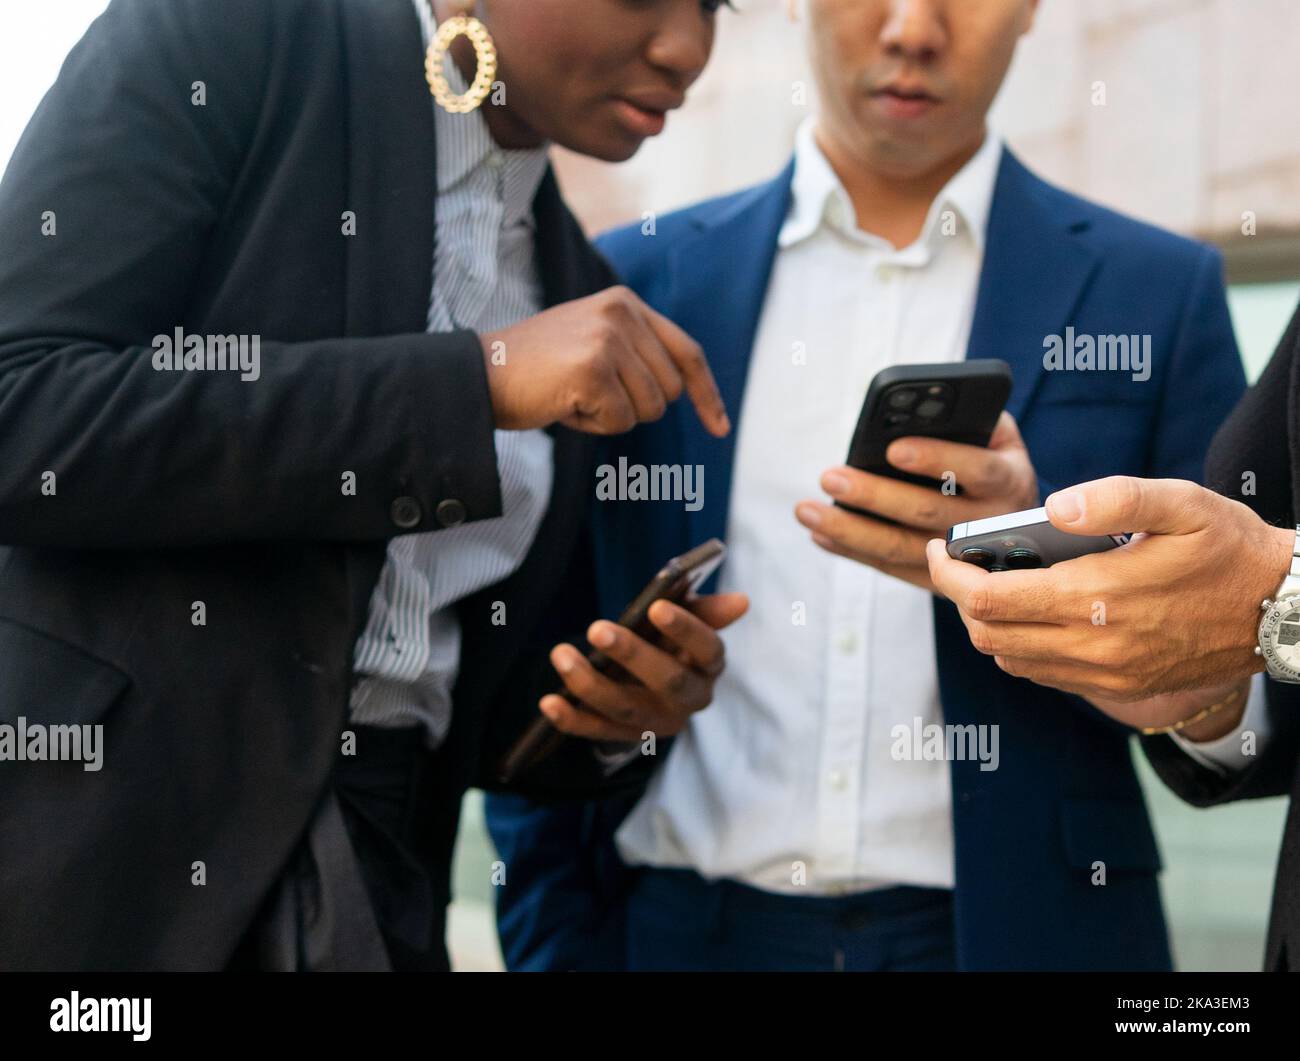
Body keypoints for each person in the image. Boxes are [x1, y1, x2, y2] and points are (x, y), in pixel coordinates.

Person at [484, 0, 1247, 971]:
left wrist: (1091, 590)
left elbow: (1247, 689)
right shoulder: (632, 283)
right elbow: (535, 650)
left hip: (1022, 935)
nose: (914, 28)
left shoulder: (1159, 291)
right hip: (667, 930)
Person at [0, 0, 746, 971]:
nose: (685, 49)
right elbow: (21, 411)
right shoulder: (224, 35)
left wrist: (609, 719)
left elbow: (448, 686)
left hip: (384, 878)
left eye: (716, 4)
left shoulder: (576, 283)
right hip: (104, 861)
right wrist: (471, 382)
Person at [925, 305, 1300, 972]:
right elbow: (1245, 621)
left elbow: (1264, 571)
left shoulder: (1173, 281)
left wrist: (1282, 593)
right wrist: (1209, 697)